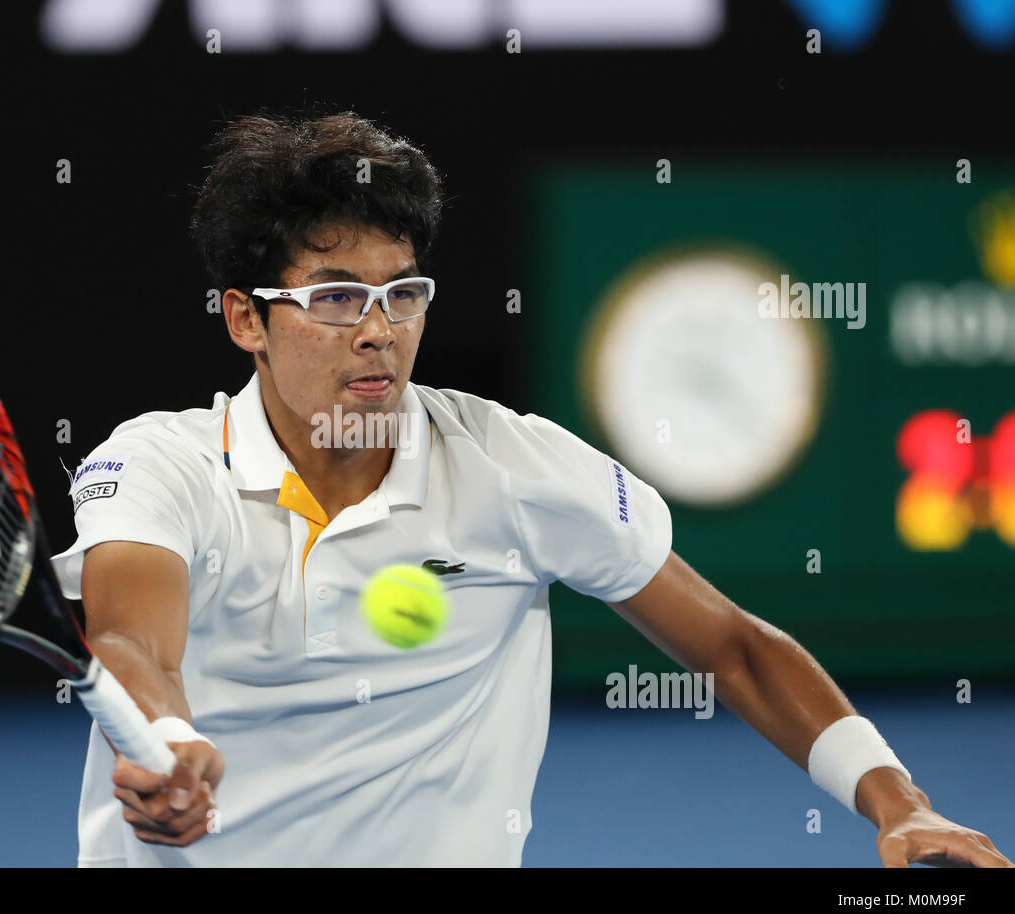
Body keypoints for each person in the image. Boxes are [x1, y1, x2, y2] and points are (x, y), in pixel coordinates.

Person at [52, 110, 1011, 867]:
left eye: (403, 293)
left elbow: (735, 648)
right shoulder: (160, 465)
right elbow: (133, 635)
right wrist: (166, 736)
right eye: (336, 297)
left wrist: (902, 806)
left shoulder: (517, 470)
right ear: (243, 320)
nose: (378, 329)